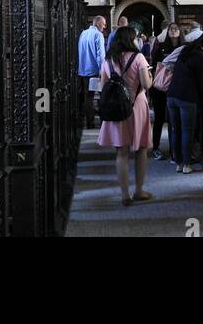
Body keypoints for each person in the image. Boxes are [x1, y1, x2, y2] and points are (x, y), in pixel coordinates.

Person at [97, 26, 154, 206]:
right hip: (136, 105)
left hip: (117, 108)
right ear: (132, 39)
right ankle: (139, 190)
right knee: (141, 149)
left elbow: (103, 86)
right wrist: (151, 76)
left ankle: (124, 195)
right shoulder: (139, 58)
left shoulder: (108, 59)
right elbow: (146, 84)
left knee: (121, 152)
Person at [167, 31, 203, 173]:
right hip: (187, 98)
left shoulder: (186, 51)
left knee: (176, 130)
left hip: (172, 95)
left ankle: (178, 163)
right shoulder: (201, 57)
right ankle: (187, 164)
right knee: (188, 131)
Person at [150, 23, 183, 160]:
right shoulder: (161, 46)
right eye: (171, 29)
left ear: (180, 31)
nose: (173, 30)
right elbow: (155, 66)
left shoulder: (185, 48)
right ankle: (155, 147)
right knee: (158, 118)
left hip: (177, 87)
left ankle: (174, 150)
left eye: (176, 28)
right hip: (161, 87)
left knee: (174, 120)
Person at [77, 16, 106, 129]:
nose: (104, 26)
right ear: (98, 23)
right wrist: (102, 70)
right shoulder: (98, 35)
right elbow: (100, 55)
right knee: (102, 96)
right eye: (103, 24)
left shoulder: (83, 33)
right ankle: (104, 122)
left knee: (88, 98)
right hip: (95, 71)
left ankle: (90, 123)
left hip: (83, 70)